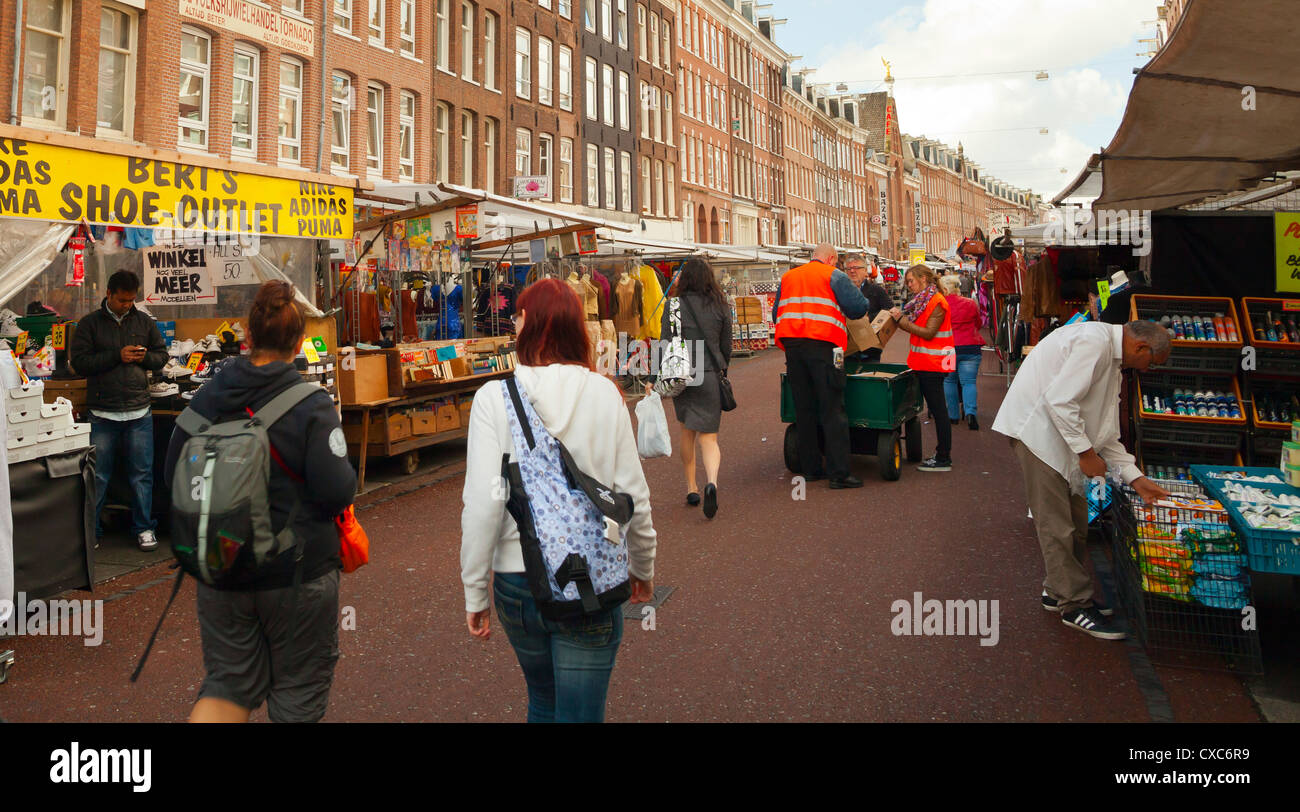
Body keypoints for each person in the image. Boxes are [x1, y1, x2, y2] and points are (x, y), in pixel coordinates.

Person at [460, 278, 657, 722]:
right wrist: (643, 567)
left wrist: (475, 591)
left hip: (517, 580)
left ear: (527, 323)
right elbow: (633, 495)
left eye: (517, 317)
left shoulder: (494, 397)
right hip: (590, 579)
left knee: (543, 701)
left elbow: (484, 503)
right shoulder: (605, 392)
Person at [163, 281, 357, 722]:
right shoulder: (311, 403)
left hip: (220, 565)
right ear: (299, 341)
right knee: (297, 687)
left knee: (227, 682)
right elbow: (335, 491)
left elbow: (172, 474)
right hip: (295, 571)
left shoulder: (207, 396)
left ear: (247, 337)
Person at [992, 320, 1172, 641]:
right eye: (1150, 363)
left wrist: (1136, 478)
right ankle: (1074, 604)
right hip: (1038, 435)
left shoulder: (1108, 354)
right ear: (1140, 347)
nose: (1147, 370)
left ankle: (1058, 590)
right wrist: (1086, 452)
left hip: (1055, 438)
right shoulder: (1095, 343)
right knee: (1057, 523)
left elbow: (1106, 432)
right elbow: (1059, 401)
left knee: (1075, 519)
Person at [70, 270, 167, 551]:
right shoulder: (89, 325)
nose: (128, 305)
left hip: (139, 411)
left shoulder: (144, 321)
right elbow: (80, 363)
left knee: (142, 474)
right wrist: (117, 355)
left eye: (131, 300)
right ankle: (91, 531)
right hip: (103, 412)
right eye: (123, 300)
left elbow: (161, 356)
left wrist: (144, 358)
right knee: (98, 475)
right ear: (109, 294)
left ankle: (145, 528)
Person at [772, 243, 870, 489]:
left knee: (804, 409)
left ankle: (811, 469)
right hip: (826, 348)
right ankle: (839, 474)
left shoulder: (789, 277)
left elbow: (776, 314)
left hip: (793, 349)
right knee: (832, 407)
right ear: (832, 259)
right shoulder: (834, 275)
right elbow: (859, 308)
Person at [660, 257, 731, 518]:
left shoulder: (673, 305)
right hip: (710, 372)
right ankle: (711, 482)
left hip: (682, 373)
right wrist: (723, 366)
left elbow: (665, 341)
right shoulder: (719, 305)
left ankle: (691, 488)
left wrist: (656, 375)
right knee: (709, 437)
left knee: (687, 430)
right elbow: (727, 343)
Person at [890, 265, 955, 472]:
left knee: (938, 410)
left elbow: (928, 333)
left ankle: (943, 457)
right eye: (907, 282)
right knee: (937, 410)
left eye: (911, 281)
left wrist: (901, 320)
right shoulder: (922, 302)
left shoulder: (936, 302)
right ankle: (942, 454)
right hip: (924, 362)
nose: (908, 286)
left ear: (924, 279)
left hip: (933, 364)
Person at [939, 275, 983, 430]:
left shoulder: (941, 305)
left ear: (944, 289)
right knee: (969, 382)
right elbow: (979, 322)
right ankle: (971, 413)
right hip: (970, 346)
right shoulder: (970, 303)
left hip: (948, 347)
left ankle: (953, 416)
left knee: (949, 381)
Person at [843, 255, 894, 362]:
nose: (852, 271)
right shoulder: (840, 291)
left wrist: (868, 319)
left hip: (870, 349)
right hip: (847, 350)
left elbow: (890, 310)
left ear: (866, 271)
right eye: (848, 268)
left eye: (856, 268)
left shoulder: (876, 290)